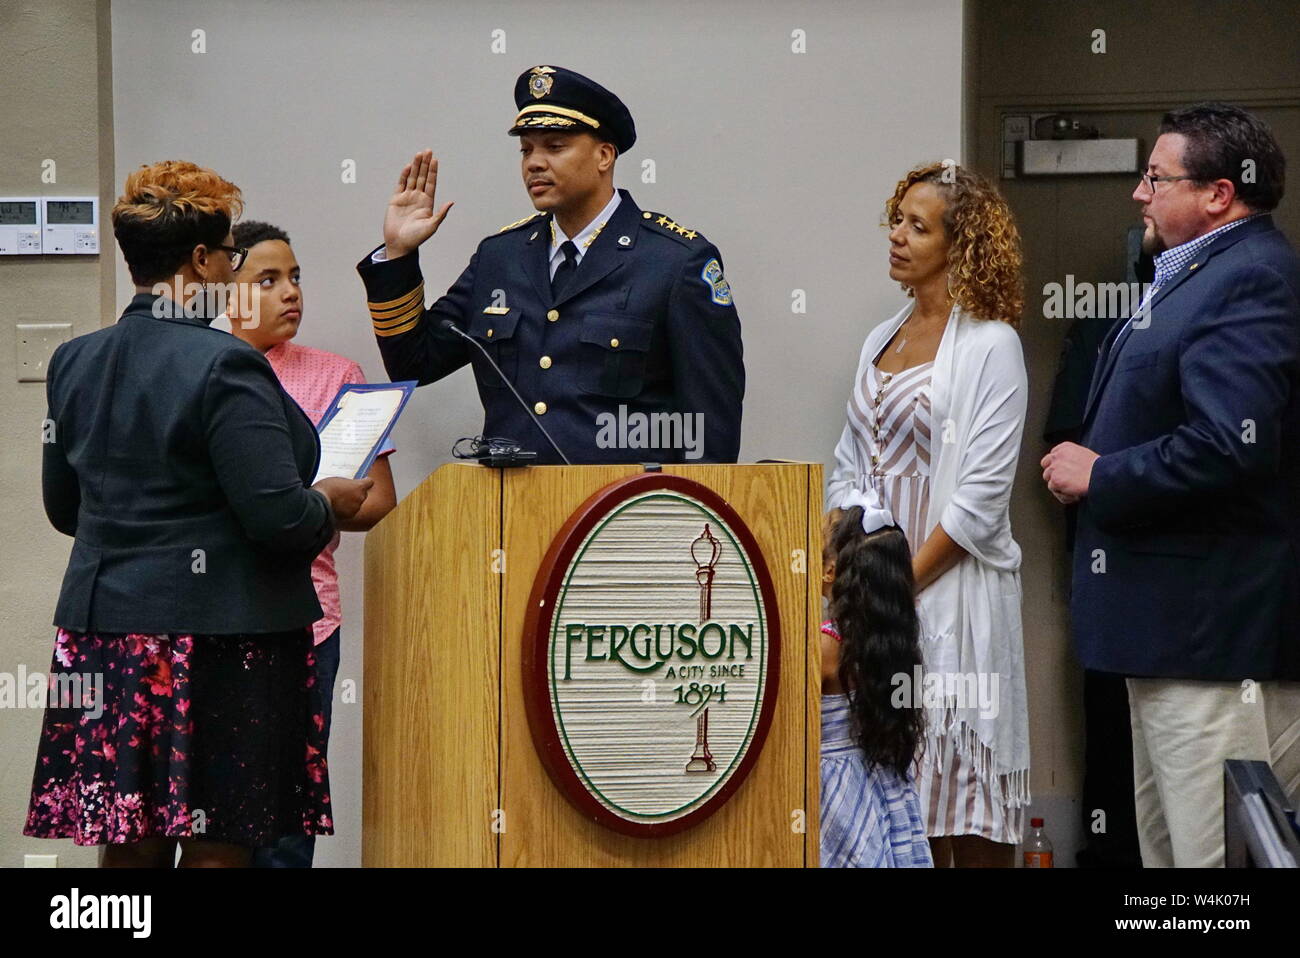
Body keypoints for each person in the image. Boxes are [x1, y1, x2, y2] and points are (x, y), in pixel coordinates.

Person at [24, 161, 372, 867]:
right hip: (223, 639)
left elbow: (66, 509)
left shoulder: (74, 361)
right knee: (222, 842)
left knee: (129, 840)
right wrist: (327, 504)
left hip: (106, 636)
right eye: (231, 260)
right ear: (204, 260)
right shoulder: (228, 365)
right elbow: (277, 518)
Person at [1041, 102, 1300, 868]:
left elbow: (1233, 443)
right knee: (1172, 864)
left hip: (1213, 645)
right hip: (1166, 638)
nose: (1138, 193)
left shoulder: (1250, 279)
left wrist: (1102, 473)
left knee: (1214, 870)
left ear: (1219, 193)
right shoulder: (1196, 276)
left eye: (1156, 177)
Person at [355, 65, 744, 463]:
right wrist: (399, 254)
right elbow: (414, 364)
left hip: (621, 515)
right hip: (508, 512)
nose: (534, 163)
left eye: (554, 146)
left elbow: (709, 432)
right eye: (526, 149)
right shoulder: (501, 257)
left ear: (604, 155)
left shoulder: (675, 262)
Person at [826, 162, 1030, 867]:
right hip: (876, 599)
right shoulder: (879, 337)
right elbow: (847, 466)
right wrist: (853, 574)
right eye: (896, 219)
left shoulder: (991, 346)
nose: (898, 236)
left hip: (949, 598)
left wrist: (895, 590)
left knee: (959, 800)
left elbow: (978, 505)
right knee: (894, 800)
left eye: (919, 226)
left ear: (961, 242)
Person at [226, 220, 398, 867]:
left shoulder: (337, 377)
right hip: (214, 623)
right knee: (216, 817)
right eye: (267, 280)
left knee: (287, 824)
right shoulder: (204, 371)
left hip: (309, 624)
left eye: (295, 277)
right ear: (225, 293)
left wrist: (305, 505)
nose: (290, 293)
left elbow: (378, 501)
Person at [820, 493, 932, 868]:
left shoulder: (824, 648)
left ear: (829, 571)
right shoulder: (894, 641)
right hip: (882, 784)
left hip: (835, 793)